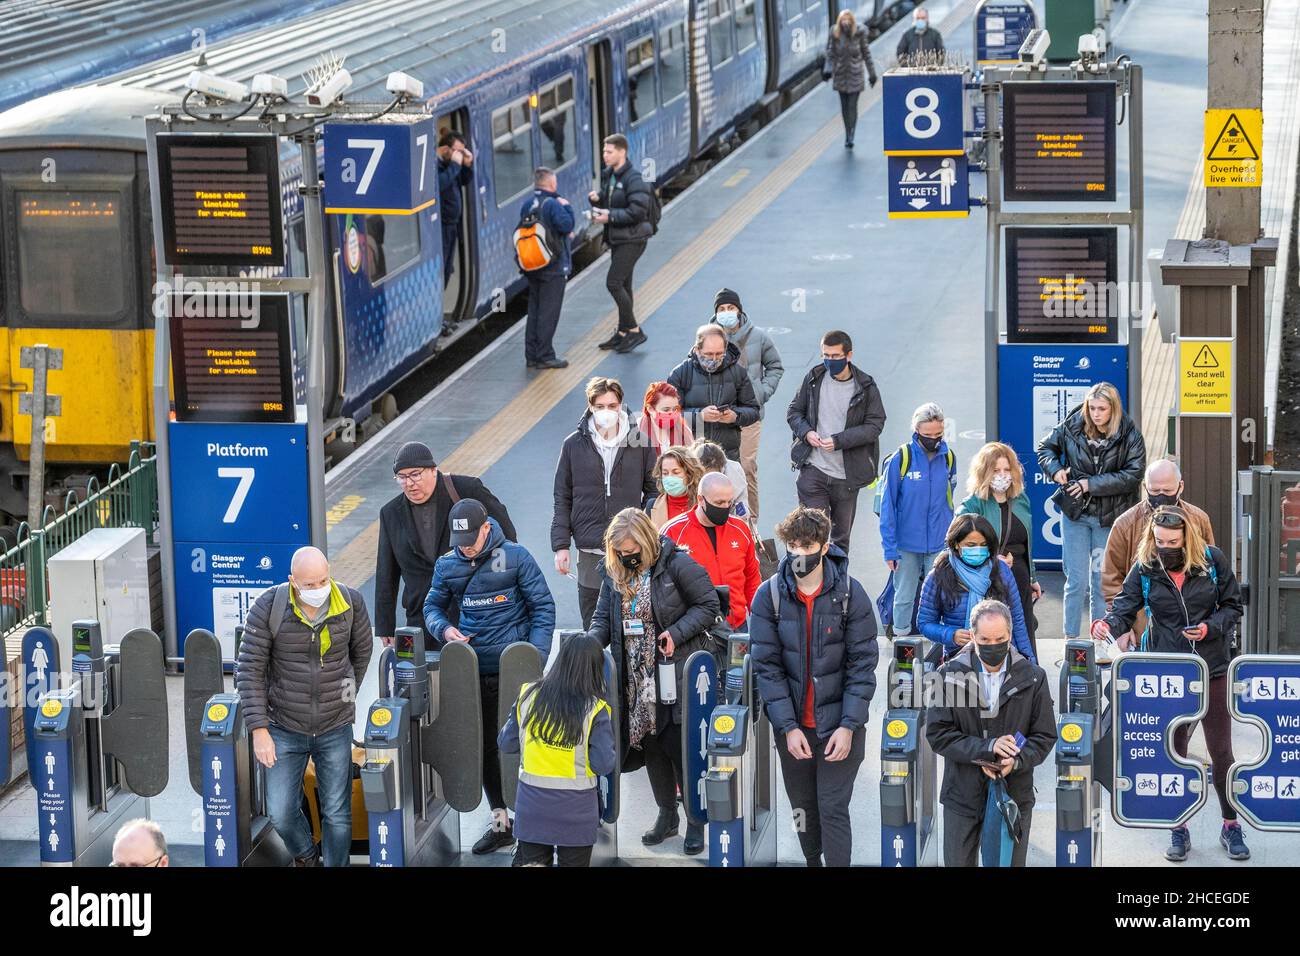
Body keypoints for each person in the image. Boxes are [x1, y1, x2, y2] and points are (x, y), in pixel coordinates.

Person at [1092, 506, 1247, 862]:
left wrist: (1210, 627)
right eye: (1160, 541)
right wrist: (1107, 627)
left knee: (1221, 751)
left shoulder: (1212, 560)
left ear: (1187, 538)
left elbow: (1233, 606)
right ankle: (1178, 825)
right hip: (1169, 669)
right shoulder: (1146, 565)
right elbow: (1124, 608)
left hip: (1212, 667)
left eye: (1173, 542)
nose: (1166, 547)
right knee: (1174, 750)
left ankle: (1230, 823)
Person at [424, 499, 557, 856]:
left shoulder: (515, 557)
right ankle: (501, 822)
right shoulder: (448, 564)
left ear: (487, 528)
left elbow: (543, 607)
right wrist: (445, 629)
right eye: (460, 539)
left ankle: (533, 827)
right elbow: (431, 607)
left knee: (526, 748)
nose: (466, 545)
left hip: (515, 673)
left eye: (472, 537)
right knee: (482, 748)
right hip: (472, 674)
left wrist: (534, 658)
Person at [750, 506, 879, 867]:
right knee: (802, 807)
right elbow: (768, 666)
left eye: (808, 546)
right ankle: (811, 861)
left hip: (839, 725)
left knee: (833, 806)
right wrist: (788, 728)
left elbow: (862, 665)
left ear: (824, 548)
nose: (799, 554)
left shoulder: (851, 595)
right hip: (795, 729)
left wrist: (849, 726)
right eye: (792, 545)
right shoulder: (769, 596)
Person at [587, 508, 721, 855]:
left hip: (675, 671)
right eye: (621, 553)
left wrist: (676, 633)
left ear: (646, 542)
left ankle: (695, 819)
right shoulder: (613, 571)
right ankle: (666, 814)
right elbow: (602, 618)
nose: (627, 558)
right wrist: (587, 646)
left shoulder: (677, 564)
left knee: (681, 747)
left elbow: (709, 605)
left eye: (632, 551)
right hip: (636, 677)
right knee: (652, 745)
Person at [237, 546, 374, 867]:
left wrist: (342, 697)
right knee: (281, 812)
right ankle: (307, 857)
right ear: (292, 581)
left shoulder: (349, 602)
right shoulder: (269, 607)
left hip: (335, 726)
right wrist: (259, 730)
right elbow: (249, 670)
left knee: (337, 811)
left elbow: (362, 653)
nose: (318, 590)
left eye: (323, 581)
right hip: (283, 727)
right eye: (309, 585)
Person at [927, 599, 1055, 867]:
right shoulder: (947, 675)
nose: (993, 645)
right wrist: (988, 748)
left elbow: (1043, 736)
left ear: (1010, 635)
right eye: (985, 639)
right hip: (962, 795)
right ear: (972, 636)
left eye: (1000, 639)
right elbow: (938, 734)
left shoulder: (1034, 677)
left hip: (1014, 793)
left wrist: (1016, 761)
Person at [374, 441, 516, 645]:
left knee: (473, 672)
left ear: (433, 470)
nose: (409, 483)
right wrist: (385, 625)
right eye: (402, 477)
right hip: (421, 615)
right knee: (426, 675)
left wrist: (498, 581)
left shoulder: (466, 490)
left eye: (415, 474)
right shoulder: (390, 513)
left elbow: (506, 533)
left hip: (472, 609)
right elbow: (386, 572)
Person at [1037, 382, 1146, 640]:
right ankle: (1071, 639)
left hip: (1109, 516)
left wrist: (1089, 485)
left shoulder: (1129, 434)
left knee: (1101, 582)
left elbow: (1133, 475)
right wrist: (1055, 469)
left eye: (1102, 409)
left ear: (1113, 409)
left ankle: (1101, 638)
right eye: (1092, 408)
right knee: (1075, 580)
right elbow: (1045, 449)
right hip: (1075, 514)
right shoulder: (1073, 424)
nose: (1095, 414)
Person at [497, 634, 617, 867]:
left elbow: (506, 742)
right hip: (576, 813)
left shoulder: (527, 695)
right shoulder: (595, 709)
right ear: (594, 670)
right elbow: (604, 764)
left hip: (532, 809)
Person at [552, 377, 658, 629]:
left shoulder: (640, 442)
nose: (607, 412)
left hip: (629, 550)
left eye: (612, 405)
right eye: (600, 406)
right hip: (590, 551)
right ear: (590, 406)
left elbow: (654, 491)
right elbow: (562, 497)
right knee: (593, 625)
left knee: (633, 622)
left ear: (621, 405)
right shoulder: (573, 445)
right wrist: (561, 545)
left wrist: (641, 530)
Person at [788, 330, 887, 552]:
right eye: (825, 355)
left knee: (840, 540)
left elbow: (874, 426)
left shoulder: (866, 387)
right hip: (814, 469)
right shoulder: (814, 378)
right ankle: (811, 582)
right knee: (812, 534)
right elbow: (794, 411)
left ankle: (837, 583)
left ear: (848, 355)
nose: (829, 361)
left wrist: (839, 440)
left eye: (835, 356)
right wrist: (806, 433)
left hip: (846, 476)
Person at [1101, 459, 1215, 647]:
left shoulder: (1199, 520)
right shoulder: (1125, 524)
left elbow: (1211, 571)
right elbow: (1111, 578)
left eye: (1168, 491)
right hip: (1144, 628)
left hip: (1191, 627)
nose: (1161, 496)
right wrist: (1123, 627)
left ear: (1181, 486)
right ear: (1145, 487)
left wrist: (1209, 625)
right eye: (1154, 491)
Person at [956, 442, 1042, 659]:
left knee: (1022, 634)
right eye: (996, 470)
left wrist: (1032, 577)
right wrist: (991, 558)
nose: (1002, 475)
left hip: (1020, 579)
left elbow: (1026, 543)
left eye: (1006, 469)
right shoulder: (973, 503)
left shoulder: (1021, 500)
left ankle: (1027, 676)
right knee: (994, 634)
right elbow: (957, 540)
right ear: (985, 472)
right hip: (990, 580)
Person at [880, 403, 956, 638]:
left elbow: (949, 501)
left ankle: (937, 640)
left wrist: (949, 541)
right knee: (904, 595)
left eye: (938, 434)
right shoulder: (901, 458)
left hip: (938, 543)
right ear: (916, 431)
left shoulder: (949, 458)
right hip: (906, 545)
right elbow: (888, 507)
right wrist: (889, 549)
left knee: (940, 595)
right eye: (928, 435)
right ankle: (902, 640)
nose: (934, 439)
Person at [916, 514, 1035, 662]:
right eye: (971, 545)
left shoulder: (1002, 571)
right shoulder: (938, 576)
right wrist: (950, 634)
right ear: (956, 544)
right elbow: (924, 623)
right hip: (957, 657)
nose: (978, 550)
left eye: (983, 544)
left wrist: (1028, 658)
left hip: (1000, 655)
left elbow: (1016, 619)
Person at [711, 288, 783, 522]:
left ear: (739, 310)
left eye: (730, 308)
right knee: (714, 467)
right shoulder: (707, 338)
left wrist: (761, 393)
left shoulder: (758, 336)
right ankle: (718, 518)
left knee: (745, 466)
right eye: (721, 309)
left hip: (749, 416)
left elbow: (775, 366)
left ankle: (750, 523)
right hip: (717, 418)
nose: (726, 313)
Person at [661, 472, 761, 632]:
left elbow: (752, 579)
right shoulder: (673, 532)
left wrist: (760, 620)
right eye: (719, 502)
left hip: (737, 627)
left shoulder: (740, 529)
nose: (725, 507)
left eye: (729, 502)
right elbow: (663, 588)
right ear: (701, 499)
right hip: (695, 630)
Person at [590, 134, 654, 353]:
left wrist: (610, 216)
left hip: (633, 239)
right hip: (619, 238)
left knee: (614, 283)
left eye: (609, 152)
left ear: (622, 152)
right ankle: (623, 332)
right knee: (624, 285)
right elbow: (611, 197)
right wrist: (596, 200)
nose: (605, 156)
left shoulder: (634, 179)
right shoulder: (612, 176)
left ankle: (635, 330)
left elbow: (638, 211)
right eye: (604, 151)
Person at [666, 323, 760, 461]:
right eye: (709, 354)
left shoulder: (737, 372)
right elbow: (667, 417)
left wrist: (735, 416)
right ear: (697, 349)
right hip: (690, 457)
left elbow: (753, 410)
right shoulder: (680, 374)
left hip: (727, 456)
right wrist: (699, 416)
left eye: (719, 354)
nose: (714, 359)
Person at [521, 167, 574, 370]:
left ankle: (531, 355)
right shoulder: (552, 203)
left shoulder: (527, 204)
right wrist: (567, 207)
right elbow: (568, 225)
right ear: (551, 184)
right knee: (548, 312)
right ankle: (545, 355)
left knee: (534, 311)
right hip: (553, 267)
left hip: (533, 264)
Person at [825, 8, 878, 148]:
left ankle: (851, 135)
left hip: (855, 75)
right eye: (843, 20)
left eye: (848, 20)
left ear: (852, 21)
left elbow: (866, 54)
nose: (846, 23)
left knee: (852, 106)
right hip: (841, 75)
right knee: (844, 108)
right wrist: (827, 70)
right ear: (839, 22)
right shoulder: (835, 34)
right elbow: (830, 53)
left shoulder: (859, 34)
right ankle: (847, 131)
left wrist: (872, 74)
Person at [437, 130, 474, 283]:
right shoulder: (437, 165)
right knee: (442, 267)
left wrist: (467, 165)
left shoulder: (451, 165)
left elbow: (464, 181)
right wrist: (455, 165)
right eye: (456, 151)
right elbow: (439, 184)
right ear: (445, 149)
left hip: (453, 225)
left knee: (447, 268)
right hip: (442, 225)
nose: (458, 156)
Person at [691, 438, 750, 521]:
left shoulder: (734, 471)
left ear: (722, 469)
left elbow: (741, 505)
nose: (711, 481)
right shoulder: (689, 472)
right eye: (707, 476)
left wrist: (741, 516)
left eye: (714, 475)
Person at [647, 445, 705, 529]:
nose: (670, 477)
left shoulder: (703, 505)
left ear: (689, 474)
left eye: (676, 472)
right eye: (665, 473)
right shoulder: (652, 507)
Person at [639, 381, 694, 457]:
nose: (672, 414)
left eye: (675, 409)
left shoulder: (684, 430)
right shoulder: (636, 429)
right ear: (650, 409)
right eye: (666, 410)